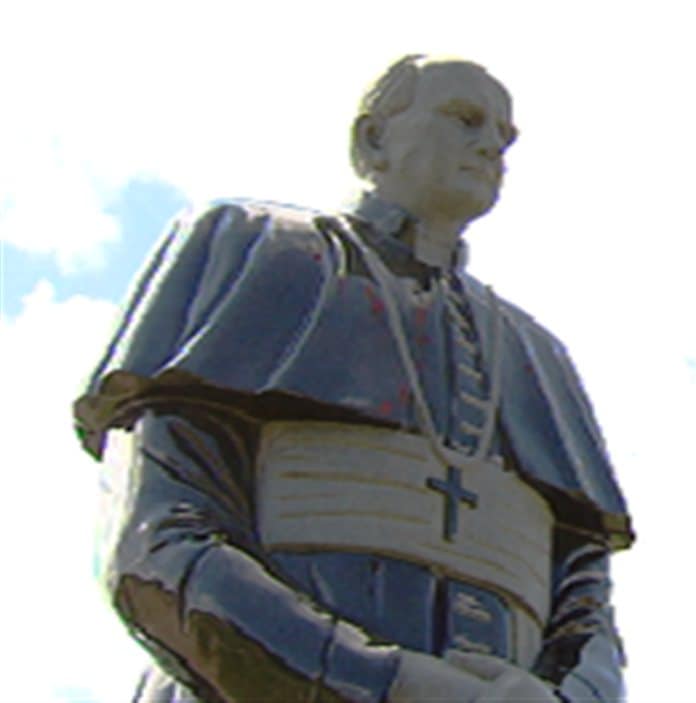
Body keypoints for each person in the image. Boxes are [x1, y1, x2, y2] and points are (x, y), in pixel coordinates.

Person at [73, 54, 634, 703]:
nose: (491, 145)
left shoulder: (539, 356)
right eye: (465, 118)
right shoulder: (254, 249)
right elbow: (161, 542)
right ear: (372, 139)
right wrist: (387, 683)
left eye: (504, 137)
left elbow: (584, 601)